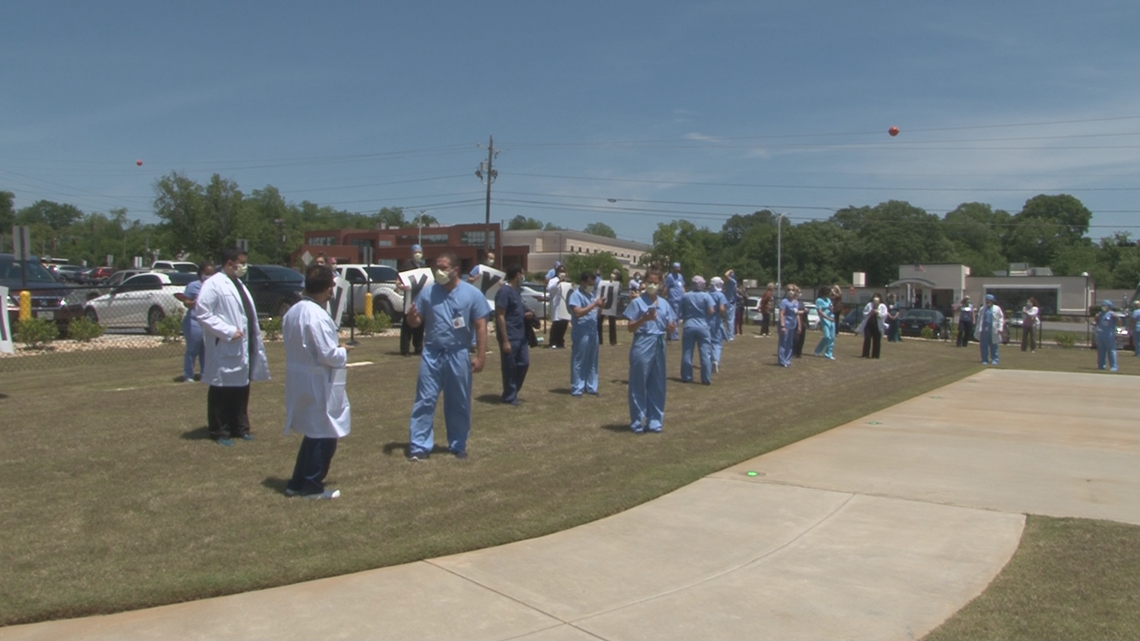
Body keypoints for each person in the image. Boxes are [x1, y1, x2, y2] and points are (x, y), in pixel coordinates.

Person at [404, 253, 491, 461]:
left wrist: (480, 356)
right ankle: (419, 446)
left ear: (455, 270)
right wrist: (411, 318)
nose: (438, 271)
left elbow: (481, 326)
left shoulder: (472, 294)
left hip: (458, 353)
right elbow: (416, 322)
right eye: (436, 267)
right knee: (425, 399)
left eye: (443, 267)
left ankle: (458, 444)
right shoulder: (428, 293)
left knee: (458, 401)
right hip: (432, 353)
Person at [282, 264, 351, 500]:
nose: (333, 290)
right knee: (325, 433)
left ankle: (297, 482)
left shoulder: (293, 311)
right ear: (326, 288)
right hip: (318, 381)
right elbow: (327, 354)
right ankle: (312, 485)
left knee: (312, 432)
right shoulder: (317, 315)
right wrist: (343, 351)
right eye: (332, 285)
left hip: (301, 378)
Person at [195, 247, 270, 446]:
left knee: (241, 389)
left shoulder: (239, 284)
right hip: (226, 345)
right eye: (241, 263)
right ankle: (219, 431)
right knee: (222, 390)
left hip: (242, 345)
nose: (244, 267)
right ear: (229, 263)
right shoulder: (213, 284)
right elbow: (202, 313)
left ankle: (240, 428)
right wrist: (227, 331)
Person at [624, 269, 676, 433]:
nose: (652, 285)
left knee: (658, 384)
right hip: (643, 341)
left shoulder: (664, 304)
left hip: (659, 343)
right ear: (644, 283)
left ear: (660, 284)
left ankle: (655, 421)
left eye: (656, 282)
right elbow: (630, 327)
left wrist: (671, 328)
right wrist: (643, 319)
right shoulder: (638, 303)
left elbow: (671, 323)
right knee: (638, 383)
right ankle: (637, 422)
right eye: (650, 282)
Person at [495, 264, 529, 405]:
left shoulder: (517, 291)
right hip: (510, 335)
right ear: (517, 275)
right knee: (509, 366)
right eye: (521, 274)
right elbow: (500, 316)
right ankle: (509, 396)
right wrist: (505, 340)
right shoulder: (504, 291)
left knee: (523, 363)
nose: (522, 277)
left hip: (521, 335)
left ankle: (513, 391)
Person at [177, 262, 215, 382]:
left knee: (205, 348)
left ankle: (205, 373)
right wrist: (195, 302)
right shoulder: (193, 286)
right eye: (207, 274)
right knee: (193, 349)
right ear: (201, 274)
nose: (209, 276)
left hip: (208, 322)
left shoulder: (214, 286)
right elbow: (186, 303)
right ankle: (188, 375)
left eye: (212, 274)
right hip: (194, 321)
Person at [568, 271, 604, 396]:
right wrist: (594, 304)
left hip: (593, 331)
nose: (591, 287)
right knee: (579, 360)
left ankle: (591, 386)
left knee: (592, 360)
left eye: (593, 284)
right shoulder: (575, 295)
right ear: (583, 282)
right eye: (589, 284)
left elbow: (596, 313)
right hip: (581, 332)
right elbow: (577, 313)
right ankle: (577, 387)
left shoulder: (591, 295)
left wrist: (600, 307)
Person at [680, 275, 715, 384]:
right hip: (703, 326)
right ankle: (706, 378)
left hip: (689, 325)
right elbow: (711, 311)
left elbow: (681, 311)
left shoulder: (686, 296)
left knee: (687, 352)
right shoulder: (706, 296)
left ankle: (686, 376)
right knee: (705, 353)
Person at [397, 244, 427, 357]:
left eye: (420, 252)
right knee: (407, 325)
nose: (418, 254)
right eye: (416, 252)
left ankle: (418, 348)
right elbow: (398, 281)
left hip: (421, 300)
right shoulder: (406, 266)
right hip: (410, 300)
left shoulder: (424, 267)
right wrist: (401, 287)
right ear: (412, 253)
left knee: (420, 325)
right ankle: (405, 349)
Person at [974, 294, 1004, 365]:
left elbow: (1001, 319)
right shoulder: (982, 309)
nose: (987, 302)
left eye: (989, 300)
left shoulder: (997, 309)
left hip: (993, 330)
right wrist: (978, 329)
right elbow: (979, 320)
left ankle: (995, 359)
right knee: (983, 346)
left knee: (994, 345)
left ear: (992, 301)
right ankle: (984, 359)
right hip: (984, 330)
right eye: (986, 300)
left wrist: (1000, 328)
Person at [858, 294, 888, 359]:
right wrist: (870, 312)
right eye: (875, 297)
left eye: (877, 297)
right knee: (867, 339)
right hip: (869, 323)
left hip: (877, 324)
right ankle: (865, 354)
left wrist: (878, 313)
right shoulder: (869, 305)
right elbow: (864, 313)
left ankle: (875, 355)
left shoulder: (882, 306)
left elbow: (884, 315)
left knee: (877, 340)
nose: (876, 299)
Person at [547, 265, 570, 349]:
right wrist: (559, 282)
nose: (562, 273)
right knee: (556, 324)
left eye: (563, 271)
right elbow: (550, 289)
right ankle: (552, 342)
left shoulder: (567, 282)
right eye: (560, 271)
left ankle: (560, 342)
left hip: (564, 306)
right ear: (557, 272)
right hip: (556, 305)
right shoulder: (553, 280)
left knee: (564, 324)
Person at [708, 276, 729, 373]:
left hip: (706, 321)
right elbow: (721, 309)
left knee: (708, 342)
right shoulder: (720, 295)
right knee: (717, 342)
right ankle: (715, 360)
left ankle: (709, 359)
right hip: (716, 321)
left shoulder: (707, 294)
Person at [776, 285, 800, 367]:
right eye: (788, 289)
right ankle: (782, 361)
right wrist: (782, 325)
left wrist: (799, 325)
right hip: (785, 325)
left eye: (792, 290)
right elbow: (781, 313)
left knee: (790, 343)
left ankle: (787, 360)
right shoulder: (784, 301)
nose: (790, 291)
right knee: (783, 343)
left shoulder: (796, 302)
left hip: (792, 325)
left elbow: (796, 314)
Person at [597, 268, 620, 346]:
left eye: (615, 274)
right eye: (613, 273)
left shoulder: (618, 284)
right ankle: (599, 340)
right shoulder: (604, 283)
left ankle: (613, 341)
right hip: (604, 303)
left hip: (611, 305)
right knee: (599, 322)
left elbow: (618, 294)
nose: (613, 275)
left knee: (612, 323)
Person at [1095, 300, 1119, 372]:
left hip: (1109, 335)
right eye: (1102, 306)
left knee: (1111, 351)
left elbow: (1119, 323)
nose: (1103, 307)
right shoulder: (1101, 314)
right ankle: (1101, 365)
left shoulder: (1112, 314)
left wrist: (1117, 318)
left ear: (1109, 307)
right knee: (1101, 351)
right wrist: (1096, 317)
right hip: (1101, 334)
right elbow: (1096, 322)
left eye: (1104, 306)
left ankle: (1114, 366)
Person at [663, 262, 685, 341]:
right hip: (673, 300)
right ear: (673, 268)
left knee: (678, 318)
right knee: (673, 317)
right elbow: (666, 287)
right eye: (676, 267)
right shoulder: (670, 277)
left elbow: (682, 287)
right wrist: (662, 297)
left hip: (680, 299)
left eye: (678, 267)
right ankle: (673, 335)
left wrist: (684, 296)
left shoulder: (680, 276)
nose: (677, 269)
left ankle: (671, 334)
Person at [813, 286, 837, 360]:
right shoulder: (819, 300)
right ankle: (818, 350)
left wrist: (831, 309)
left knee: (832, 337)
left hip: (831, 318)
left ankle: (829, 354)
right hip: (825, 319)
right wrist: (828, 318)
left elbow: (831, 309)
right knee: (827, 336)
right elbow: (820, 311)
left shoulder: (828, 300)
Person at [723, 270, 738, 341]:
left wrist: (730, 270)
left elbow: (726, 275)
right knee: (729, 319)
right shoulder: (731, 283)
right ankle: (730, 334)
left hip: (730, 302)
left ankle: (730, 335)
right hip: (729, 302)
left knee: (730, 319)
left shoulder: (733, 282)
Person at [792, 288, 808, 357]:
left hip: (803, 320)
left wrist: (806, 310)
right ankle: (793, 351)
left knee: (802, 338)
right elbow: (794, 311)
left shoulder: (801, 301)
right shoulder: (793, 301)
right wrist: (803, 311)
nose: (799, 294)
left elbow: (803, 309)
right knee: (796, 338)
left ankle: (799, 352)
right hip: (796, 320)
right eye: (798, 292)